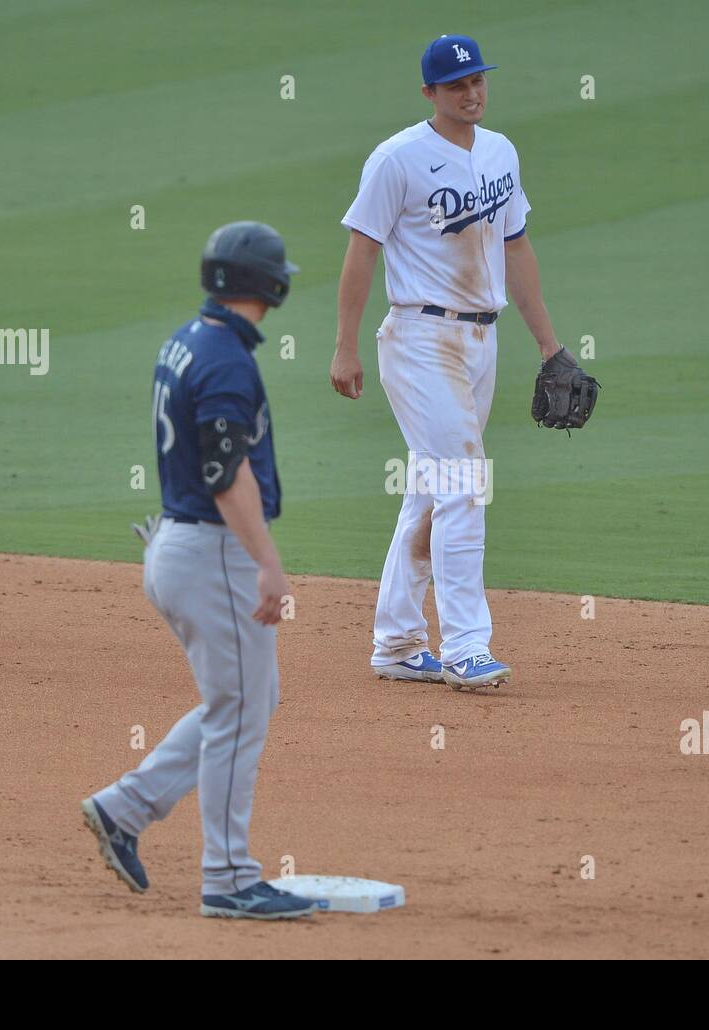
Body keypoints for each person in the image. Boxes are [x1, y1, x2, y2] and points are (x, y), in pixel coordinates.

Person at [81, 221, 319, 920]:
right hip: (213, 551)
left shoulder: (188, 338)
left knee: (246, 699)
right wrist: (268, 565)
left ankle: (124, 809)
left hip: (176, 547)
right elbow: (224, 472)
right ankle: (229, 878)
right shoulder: (226, 360)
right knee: (240, 708)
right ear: (268, 284)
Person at [331, 34, 568, 691]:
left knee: (434, 490)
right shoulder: (398, 160)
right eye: (458, 85)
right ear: (430, 93)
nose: (473, 92)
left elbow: (516, 248)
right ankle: (466, 646)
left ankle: (398, 643)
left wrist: (550, 345)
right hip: (418, 338)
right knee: (464, 479)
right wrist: (345, 345)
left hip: (480, 341)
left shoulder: (500, 152)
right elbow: (362, 253)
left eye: (479, 81)